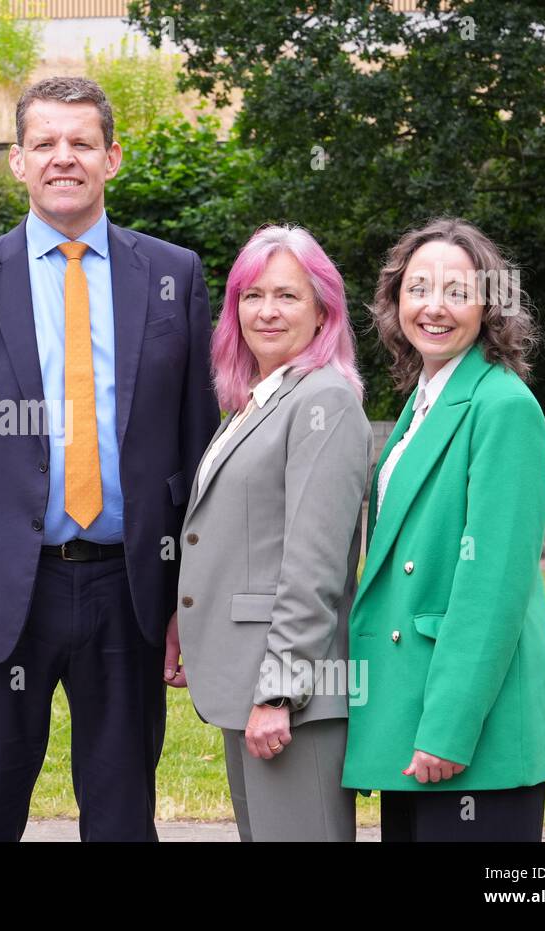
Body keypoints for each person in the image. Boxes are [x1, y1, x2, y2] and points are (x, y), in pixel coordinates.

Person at [0, 76, 219, 842]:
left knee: (121, 817)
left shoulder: (174, 275)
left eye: (81, 143)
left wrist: (189, 601)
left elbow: (198, 453)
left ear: (112, 157)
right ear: (18, 161)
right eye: (44, 143)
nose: (63, 158)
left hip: (130, 589)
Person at [342, 217, 545, 841]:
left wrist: (448, 728)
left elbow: (491, 587)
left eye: (456, 291)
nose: (433, 307)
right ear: (394, 301)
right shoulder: (423, 398)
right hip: (412, 717)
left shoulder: (504, 407)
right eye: (417, 288)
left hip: (469, 734)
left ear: (489, 306)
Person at [173, 225, 370, 841]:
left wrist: (280, 692)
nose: (266, 311)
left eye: (287, 295)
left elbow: (313, 567)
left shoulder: (326, 401)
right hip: (247, 681)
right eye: (251, 296)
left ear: (323, 311)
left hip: (291, 697)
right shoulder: (256, 401)